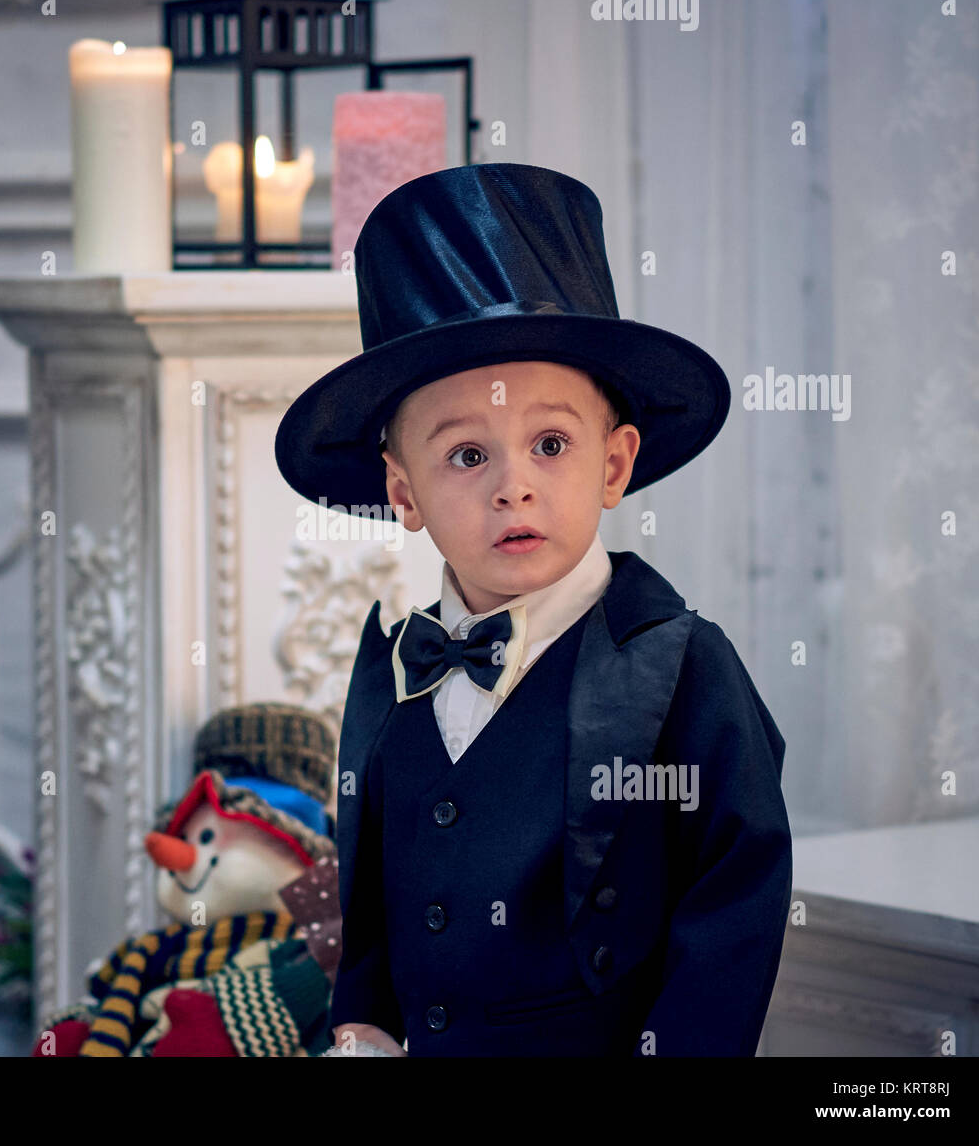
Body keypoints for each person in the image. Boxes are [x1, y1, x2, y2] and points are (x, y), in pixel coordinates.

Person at [274, 163, 792, 1057]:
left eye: (550, 444)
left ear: (614, 464)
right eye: (466, 456)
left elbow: (734, 901)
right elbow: (373, 886)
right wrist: (361, 1020)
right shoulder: (397, 663)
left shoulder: (680, 664)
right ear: (403, 490)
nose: (514, 486)